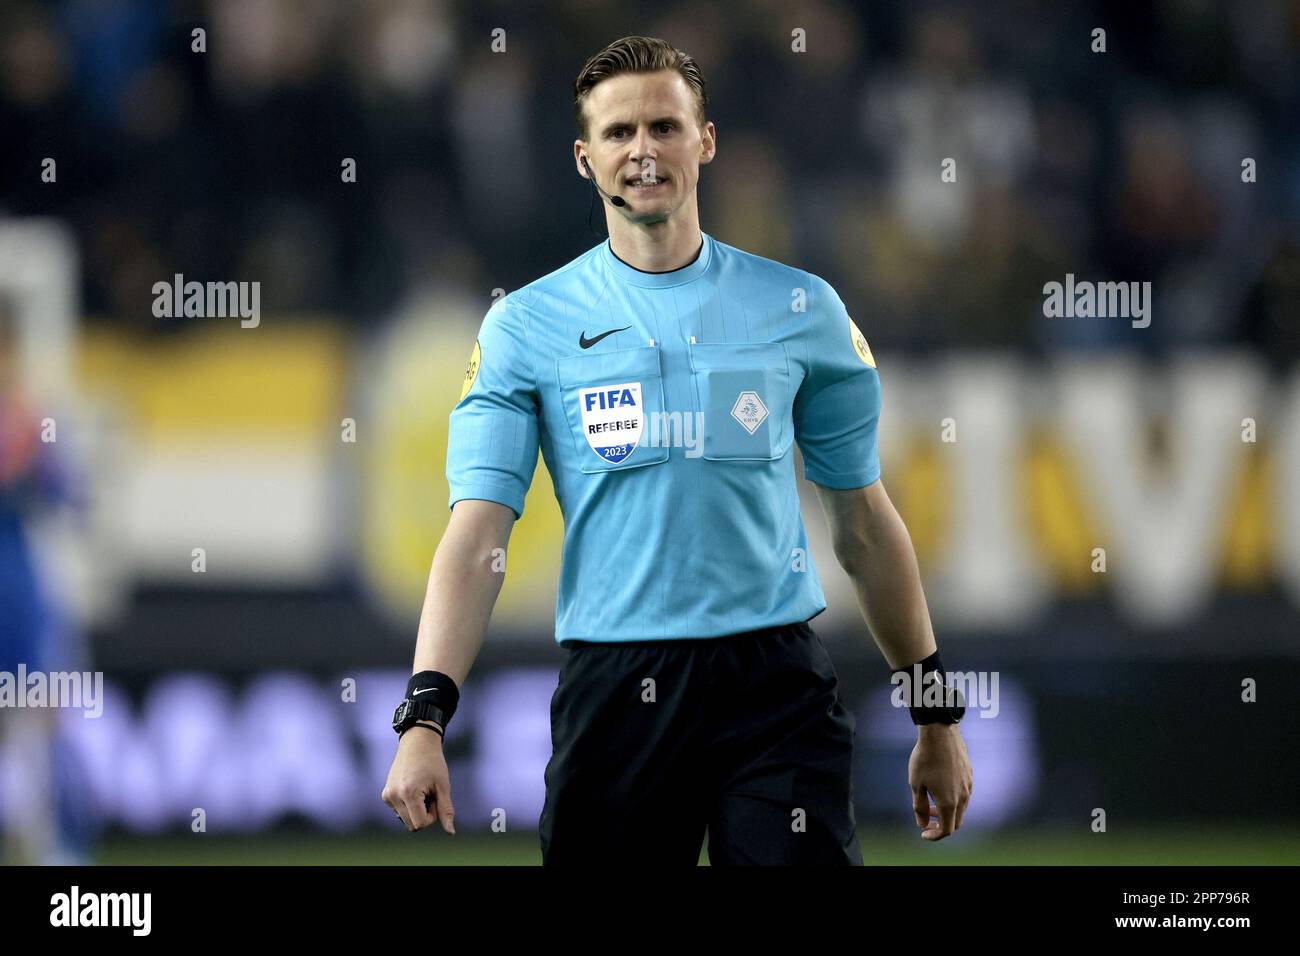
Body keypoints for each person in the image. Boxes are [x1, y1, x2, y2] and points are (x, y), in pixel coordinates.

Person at [382, 35, 972, 865]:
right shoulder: (525, 328)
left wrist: (934, 711)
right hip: (617, 693)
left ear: (706, 141)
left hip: (775, 691)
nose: (644, 150)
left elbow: (865, 526)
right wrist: (424, 716)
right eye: (620, 133)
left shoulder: (804, 309)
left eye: (665, 125)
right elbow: (478, 536)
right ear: (585, 159)